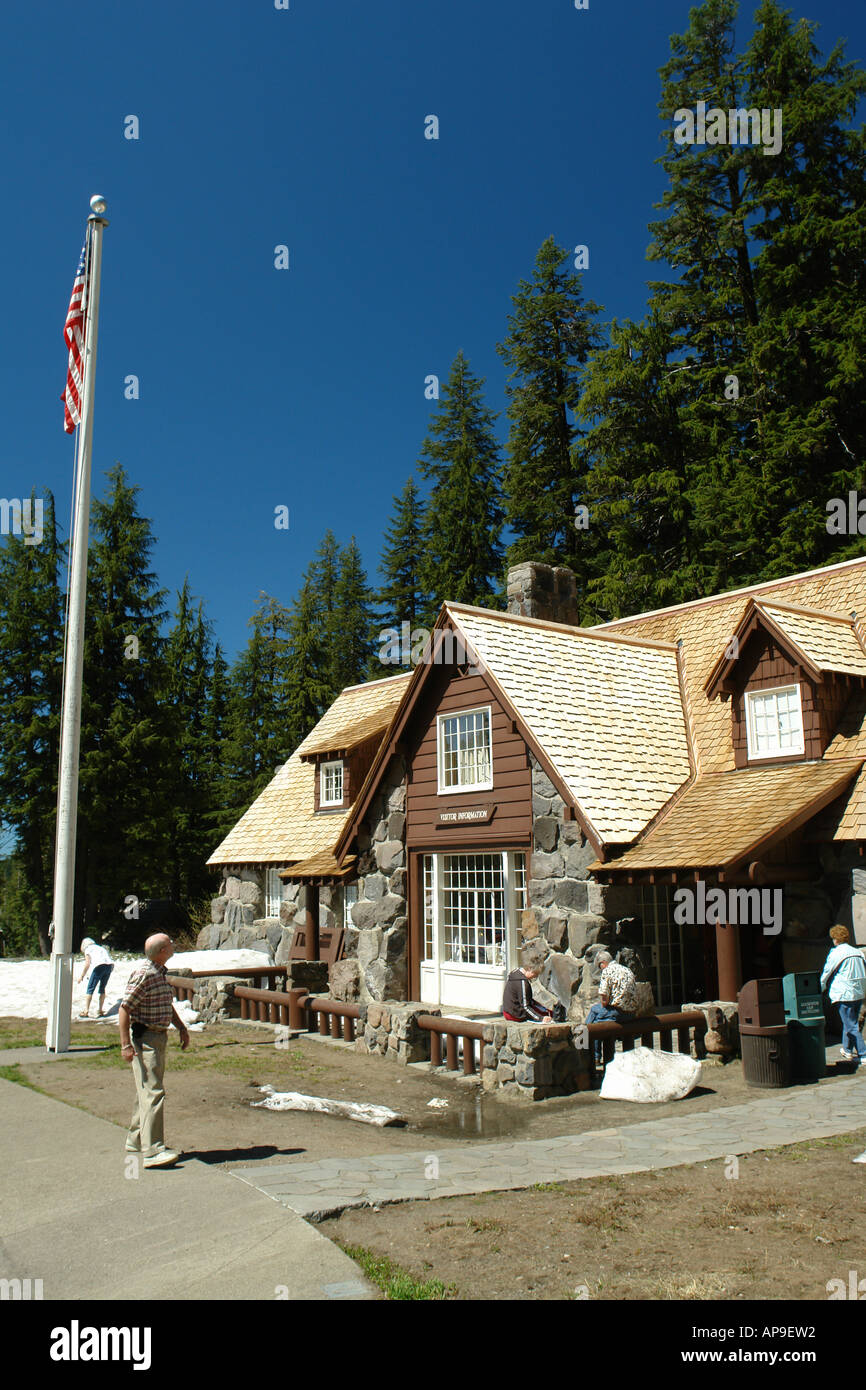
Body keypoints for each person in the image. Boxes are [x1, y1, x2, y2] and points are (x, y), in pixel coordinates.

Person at [118, 934, 190, 1169]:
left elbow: (164, 1003)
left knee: (146, 1090)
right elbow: (124, 1009)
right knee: (154, 1093)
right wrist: (125, 1045)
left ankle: (136, 1140)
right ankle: (153, 1151)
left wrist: (180, 1026)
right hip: (145, 1039)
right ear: (161, 951)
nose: (173, 946)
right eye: (169, 943)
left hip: (157, 1036)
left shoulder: (158, 973)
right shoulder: (145, 975)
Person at [820, 925, 866, 1066]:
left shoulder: (836, 953)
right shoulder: (858, 952)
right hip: (859, 992)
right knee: (850, 1022)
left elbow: (827, 972)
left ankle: (863, 1054)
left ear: (835, 939)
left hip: (844, 992)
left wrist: (820, 988)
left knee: (851, 1025)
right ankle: (847, 1049)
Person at [585, 951, 638, 1063]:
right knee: (596, 1013)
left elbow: (604, 999)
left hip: (617, 1012)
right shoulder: (627, 970)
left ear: (603, 963)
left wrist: (604, 1003)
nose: (600, 970)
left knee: (594, 1020)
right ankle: (587, 1043)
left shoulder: (607, 971)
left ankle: (589, 1051)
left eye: (600, 966)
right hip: (631, 1013)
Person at [76, 937, 114, 1019]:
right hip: (109, 966)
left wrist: (82, 976)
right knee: (102, 988)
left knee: (90, 988)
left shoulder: (88, 950)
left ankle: (86, 1011)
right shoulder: (100, 948)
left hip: (99, 966)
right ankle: (100, 1010)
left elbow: (87, 963)